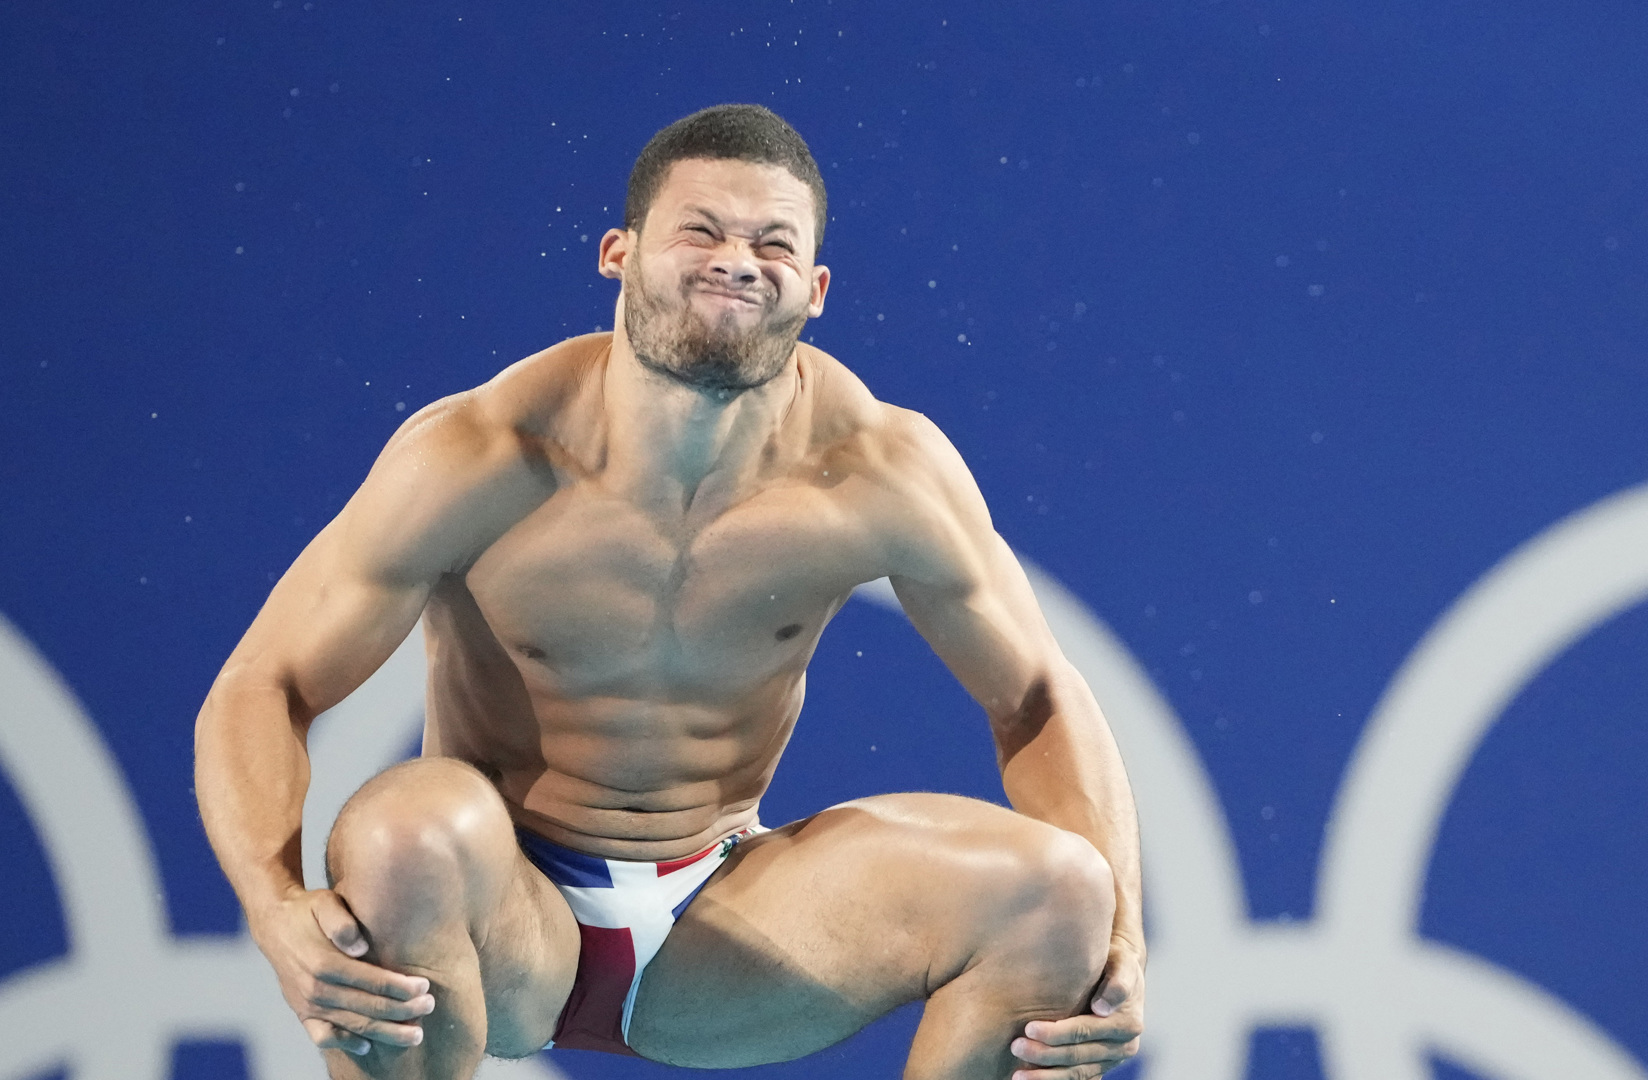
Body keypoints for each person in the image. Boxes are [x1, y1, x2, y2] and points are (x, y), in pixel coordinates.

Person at [195, 103, 1144, 1080]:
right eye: (701, 230)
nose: (737, 261)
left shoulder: (879, 471)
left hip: (728, 926)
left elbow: (1038, 696)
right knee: (403, 832)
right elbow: (263, 686)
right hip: (502, 914)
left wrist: (1124, 949)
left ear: (816, 289)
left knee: (1065, 892)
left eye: (773, 243)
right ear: (618, 254)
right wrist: (275, 910)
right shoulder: (479, 455)